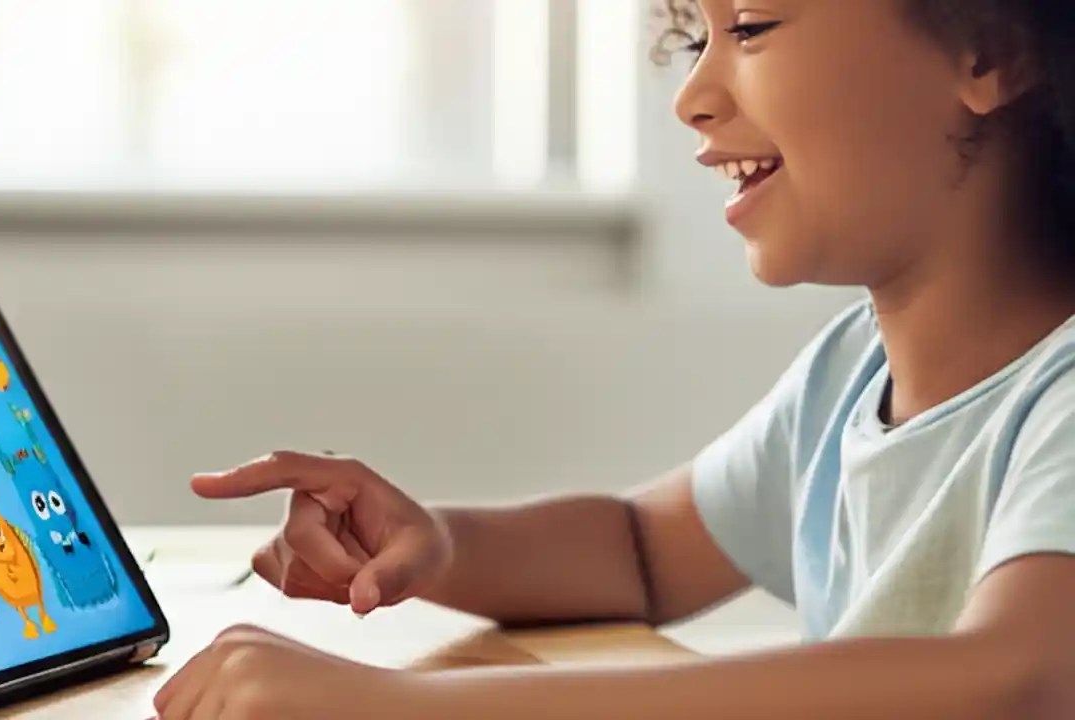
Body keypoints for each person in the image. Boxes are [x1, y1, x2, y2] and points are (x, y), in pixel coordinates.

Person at [153, 0, 1075, 717]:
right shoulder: (846, 381)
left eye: (750, 27)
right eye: (696, 37)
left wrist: (412, 709)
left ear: (987, 47)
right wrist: (435, 545)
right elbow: (639, 549)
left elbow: (1008, 689)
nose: (691, 97)